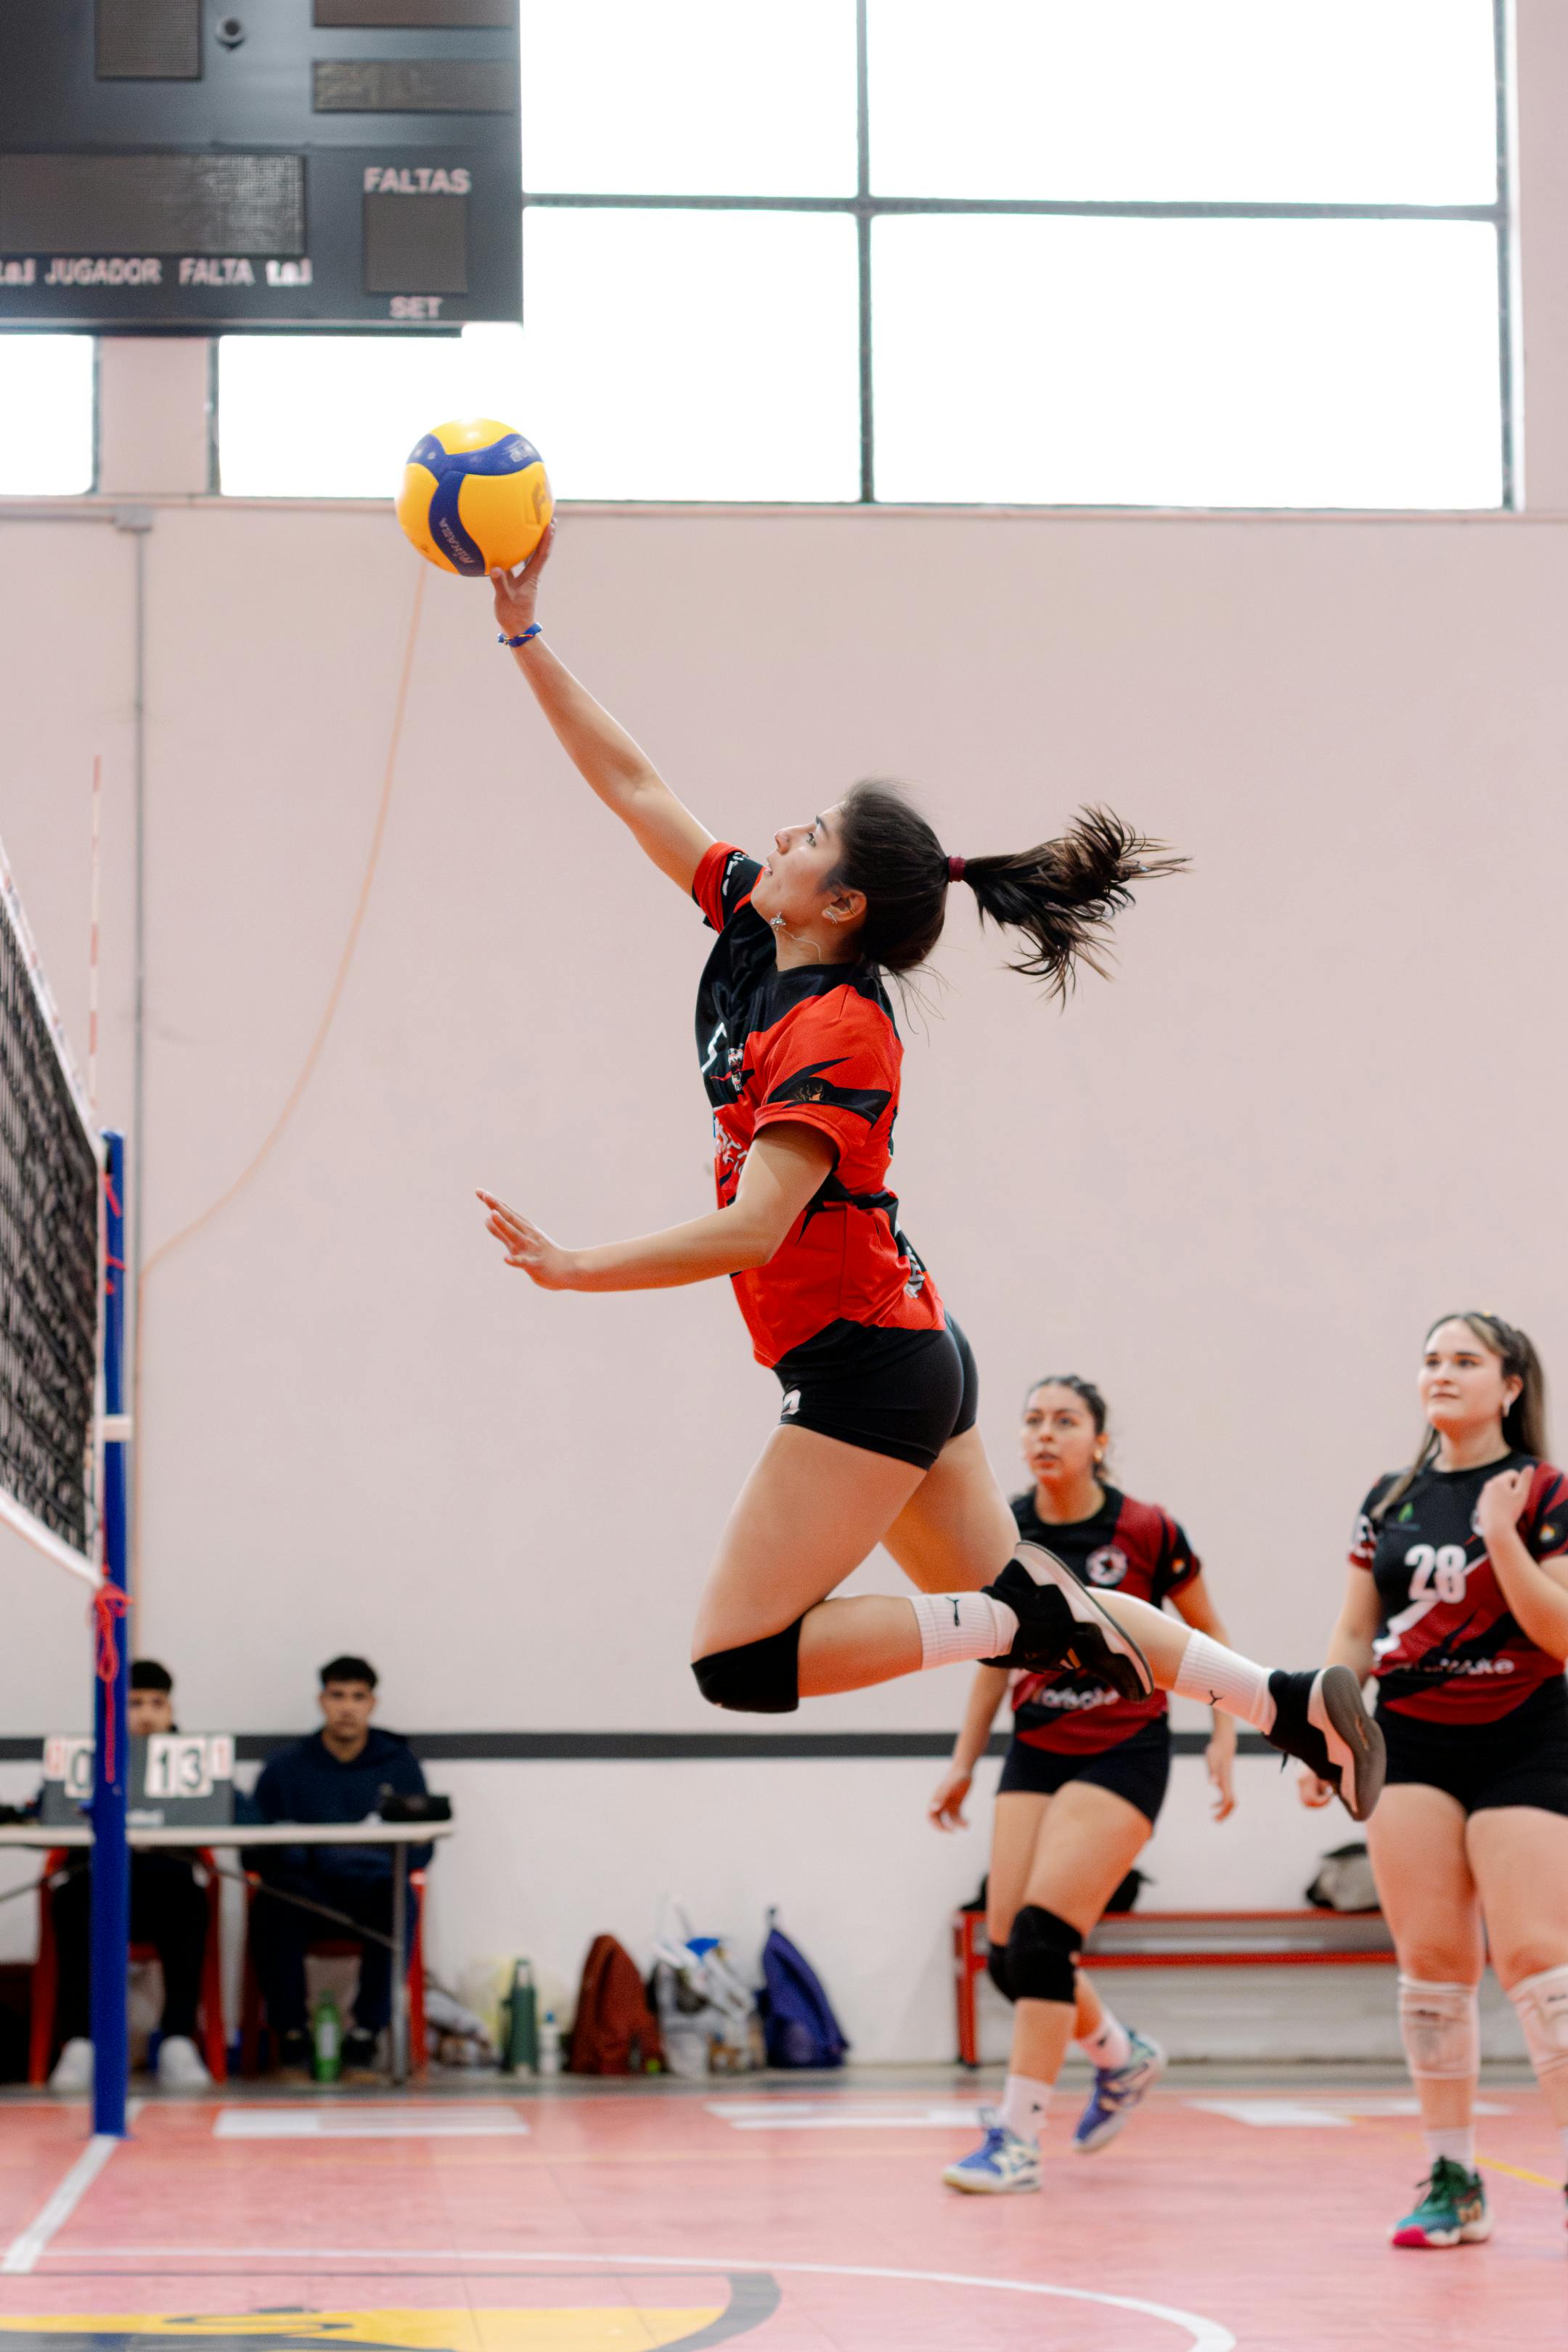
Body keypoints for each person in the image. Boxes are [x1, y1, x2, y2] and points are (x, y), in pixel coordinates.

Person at [475, 526, 1382, 1816]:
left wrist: (578, 1269)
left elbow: (755, 1229)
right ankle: (1286, 1700)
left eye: (810, 834)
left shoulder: (841, 1030)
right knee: (1016, 1597)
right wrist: (523, 635)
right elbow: (632, 783)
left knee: (742, 1660)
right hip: (898, 1343)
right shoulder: (757, 923)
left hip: (863, 1363)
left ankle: (1029, 1624)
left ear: (842, 904)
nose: (779, 834)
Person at [930, 1375, 1238, 2191]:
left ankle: (1017, 2140)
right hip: (1036, 1746)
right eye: (1033, 1419)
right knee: (1009, 1960)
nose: (1045, 1433)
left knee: (1043, 1941)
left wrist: (1225, 1733)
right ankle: (1120, 2055)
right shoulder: (1007, 1532)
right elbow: (992, 1659)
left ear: (1098, 1441)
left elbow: (1207, 1631)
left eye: (1065, 1421)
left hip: (1123, 1749)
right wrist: (962, 1763)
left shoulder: (1146, 1530)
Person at [1301, 1312, 1568, 2250]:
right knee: (1432, 1971)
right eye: (1431, 1360)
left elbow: (1559, 1633)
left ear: (1511, 1387)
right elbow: (1353, 1632)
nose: (1442, 1373)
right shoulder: (1391, 1497)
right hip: (1410, 1741)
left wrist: (1502, 1535)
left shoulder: (1543, 1491)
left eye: (1465, 1360)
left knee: (1537, 1961)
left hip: (1527, 1737)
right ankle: (1454, 2180)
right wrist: (1326, 1733)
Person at [249, 1656, 430, 2077]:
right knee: (273, 1903)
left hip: (369, 1892)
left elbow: (420, 1850)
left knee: (398, 1902)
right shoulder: (284, 1767)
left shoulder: (400, 1766)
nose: (347, 1707)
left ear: (372, 1703)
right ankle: (291, 2034)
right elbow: (254, 1851)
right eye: (337, 1695)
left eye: (358, 1697)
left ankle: (366, 2034)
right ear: (322, 1700)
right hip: (305, 1893)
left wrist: (355, 1860)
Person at [48, 1658, 213, 2094]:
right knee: (69, 1900)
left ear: (171, 1710)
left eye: (157, 1704)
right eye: (135, 1703)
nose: (146, 1714)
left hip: (166, 1886)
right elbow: (47, 1811)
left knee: (190, 1899)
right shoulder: (87, 1759)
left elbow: (237, 1811)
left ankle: (177, 2039)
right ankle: (80, 2043)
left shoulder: (195, 1763)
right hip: (97, 1881)